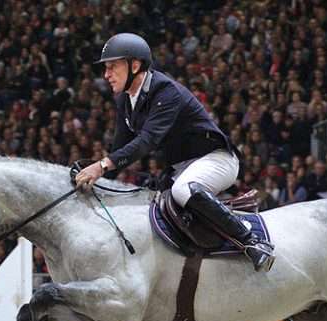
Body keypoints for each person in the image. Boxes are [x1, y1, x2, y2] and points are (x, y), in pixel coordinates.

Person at [74, 33, 274, 271]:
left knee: (183, 190)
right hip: (181, 168)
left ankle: (251, 240)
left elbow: (147, 141)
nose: (106, 75)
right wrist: (89, 167)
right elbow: (119, 152)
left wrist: (102, 166)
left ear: (134, 65)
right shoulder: (125, 101)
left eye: (112, 67)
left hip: (216, 159)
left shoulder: (166, 92)